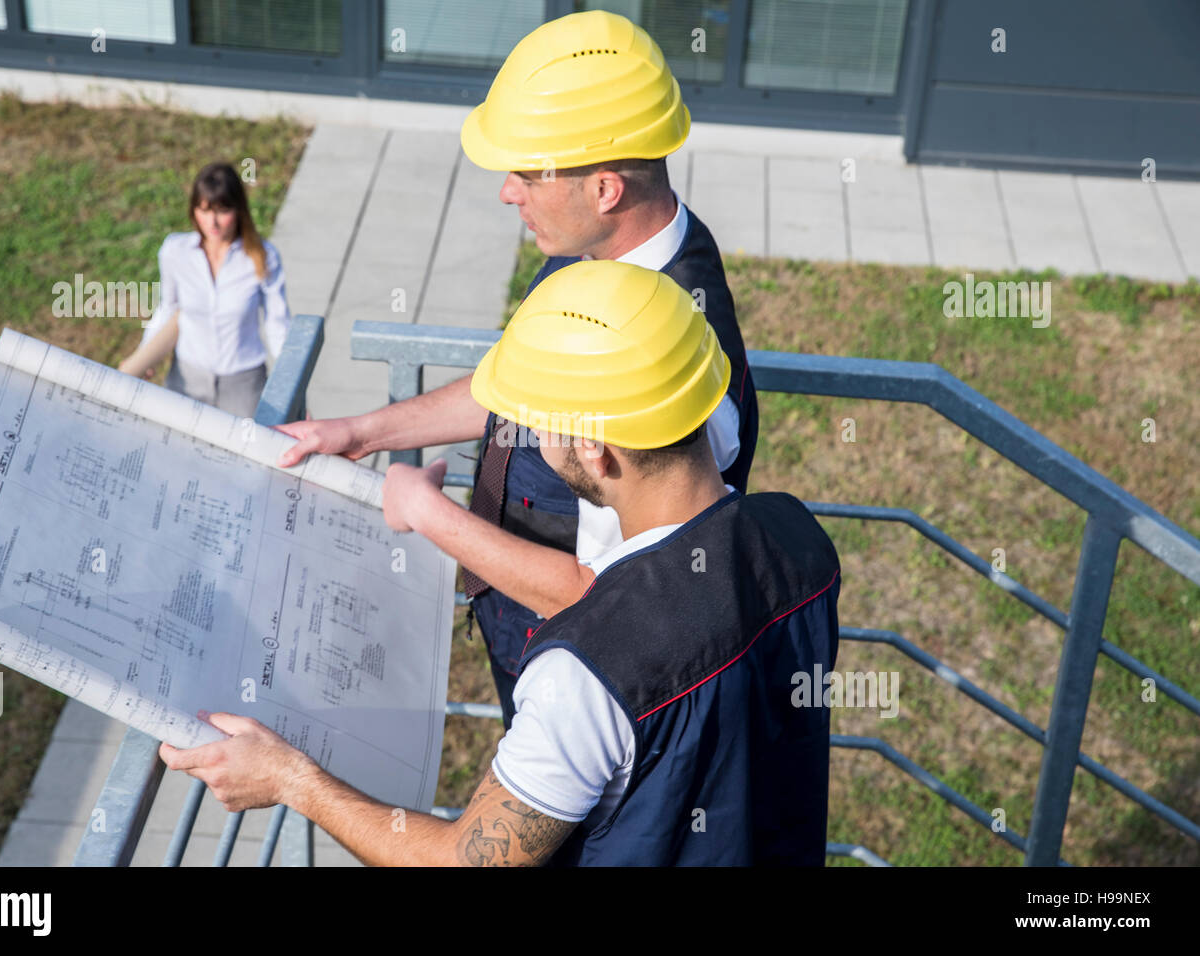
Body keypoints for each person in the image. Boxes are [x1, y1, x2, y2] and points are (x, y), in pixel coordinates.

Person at [160, 260, 842, 866]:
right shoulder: (798, 543)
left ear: (598, 453)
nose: (528, 432)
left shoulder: (581, 677)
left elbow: (467, 861)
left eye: (540, 423)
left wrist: (289, 780)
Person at [274, 11, 759, 725]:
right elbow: (516, 386)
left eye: (531, 172)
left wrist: (426, 512)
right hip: (524, 636)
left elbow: (595, 592)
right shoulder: (594, 251)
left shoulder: (672, 364)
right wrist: (366, 431)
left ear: (605, 189)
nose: (508, 191)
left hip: (582, 683)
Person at [119, 162, 291, 419]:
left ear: (239, 210)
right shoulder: (175, 252)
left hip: (243, 383)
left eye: (222, 211)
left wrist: (292, 386)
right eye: (204, 210)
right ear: (194, 210)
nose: (212, 222)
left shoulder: (262, 257)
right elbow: (168, 309)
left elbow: (278, 326)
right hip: (187, 378)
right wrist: (146, 355)